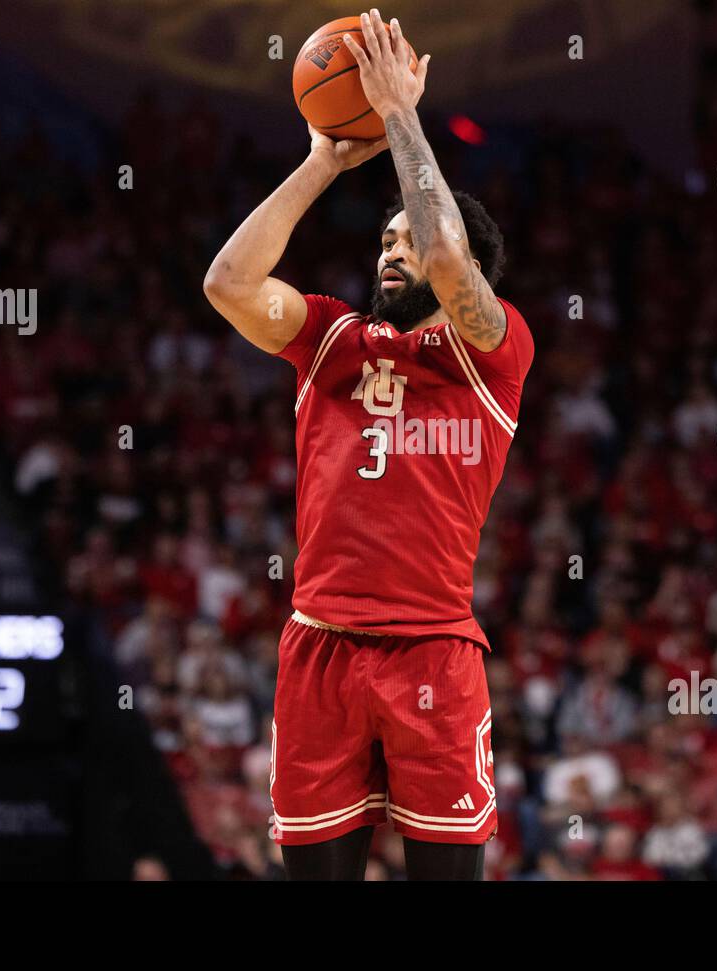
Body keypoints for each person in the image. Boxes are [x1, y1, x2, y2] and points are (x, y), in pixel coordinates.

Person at [202, 9, 533, 881]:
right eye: (382, 240)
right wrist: (321, 161)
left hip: (434, 650)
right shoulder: (327, 338)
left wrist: (399, 116)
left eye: (405, 243)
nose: (391, 252)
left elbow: (450, 260)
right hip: (321, 646)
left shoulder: (490, 352)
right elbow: (228, 283)